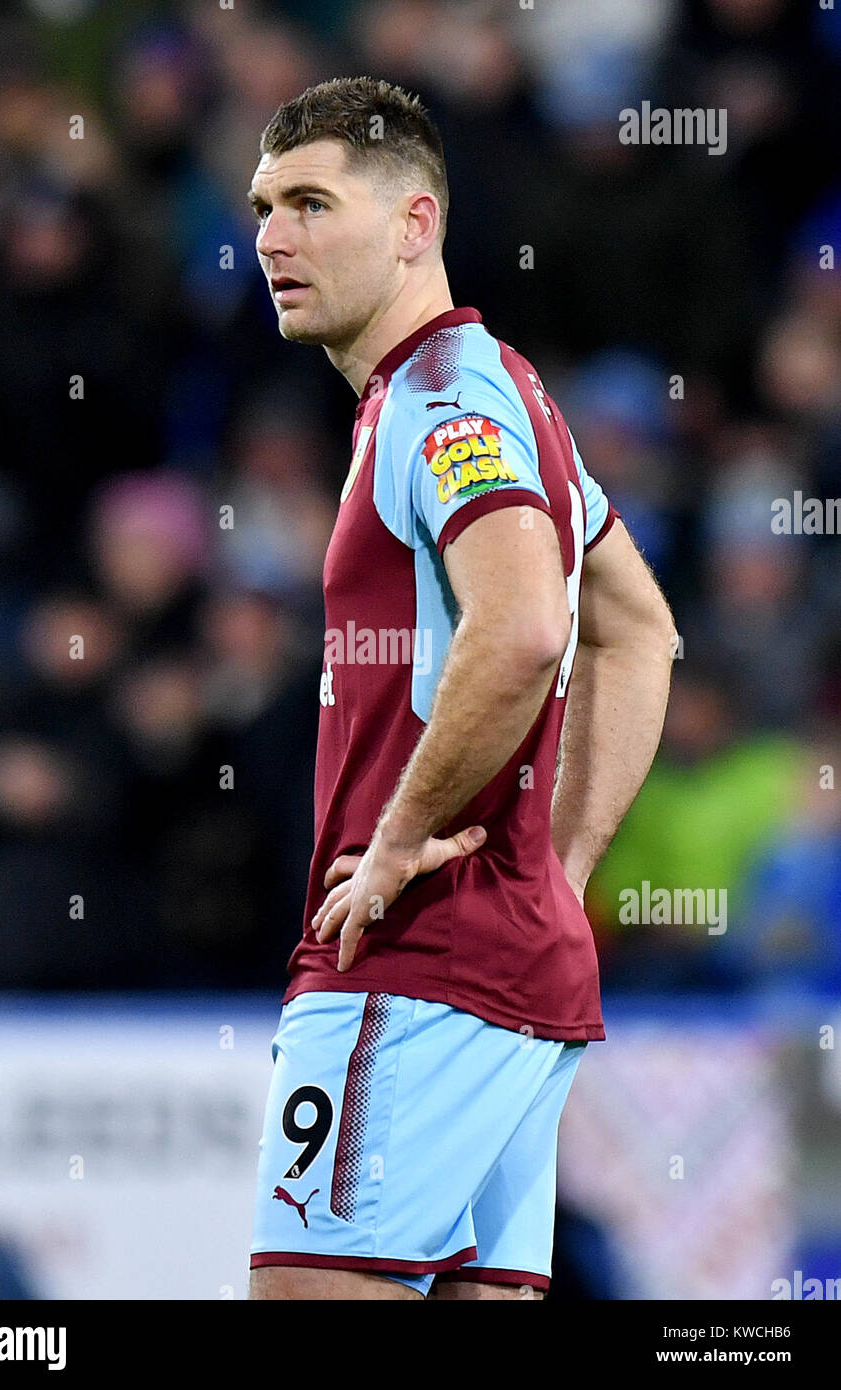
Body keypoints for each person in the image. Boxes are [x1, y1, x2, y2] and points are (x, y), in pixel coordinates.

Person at [245, 76, 675, 1301]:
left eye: (312, 203)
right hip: (507, 962)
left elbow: (533, 626)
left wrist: (397, 841)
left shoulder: (442, 401)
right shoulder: (501, 389)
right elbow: (635, 631)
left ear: (413, 224)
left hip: (413, 958)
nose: (272, 238)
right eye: (265, 205)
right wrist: (559, 870)